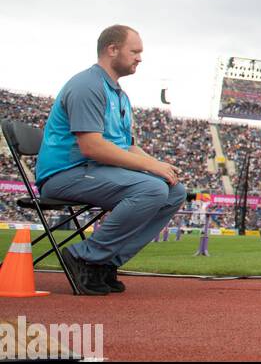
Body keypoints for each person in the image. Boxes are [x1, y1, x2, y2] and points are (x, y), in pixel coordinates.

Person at [34, 25, 187, 295]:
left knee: (175, 191)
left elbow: (126, 146)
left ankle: (105, 262)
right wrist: (152, 167)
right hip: (65, 174)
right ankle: (85, 256)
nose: (140, 58)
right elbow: (92, 147)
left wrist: (161, 166)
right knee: (151, 188)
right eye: (135, 51)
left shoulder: (120, 95)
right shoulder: (87, 86)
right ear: (112, 49)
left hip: (95, 171)